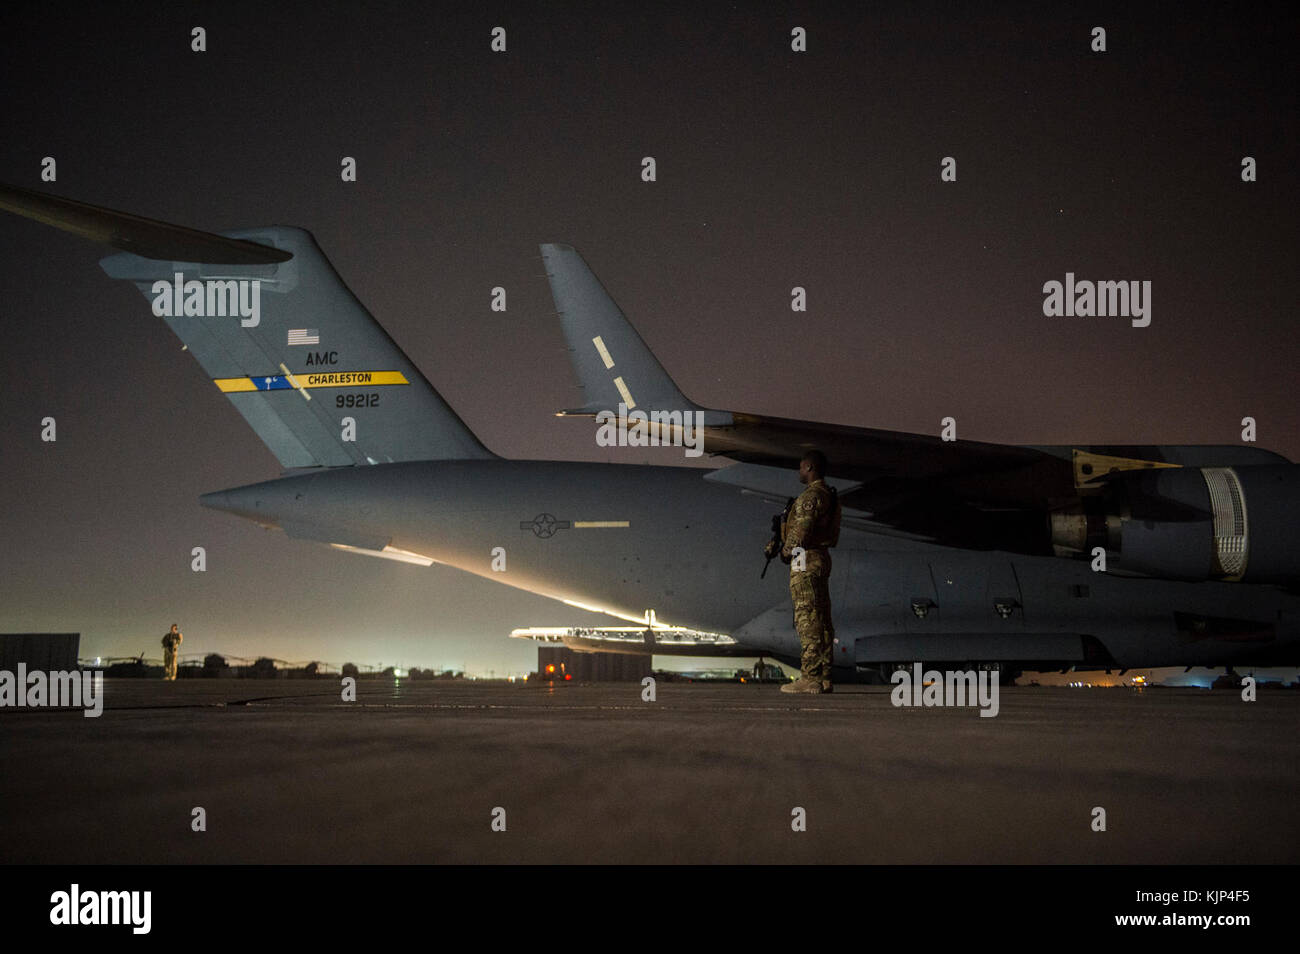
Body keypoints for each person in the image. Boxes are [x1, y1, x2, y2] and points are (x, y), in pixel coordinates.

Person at [766, 451, 840, 693]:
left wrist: (786, 552)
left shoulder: (811, 496)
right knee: (822, 619)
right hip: (818, 557)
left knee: (806, 618)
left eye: (801, 468)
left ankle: (810, 678)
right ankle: (824, 676)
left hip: (804, 558)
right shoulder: (827, 494)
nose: (799, 472)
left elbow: (802, 530)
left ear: (809, 467)